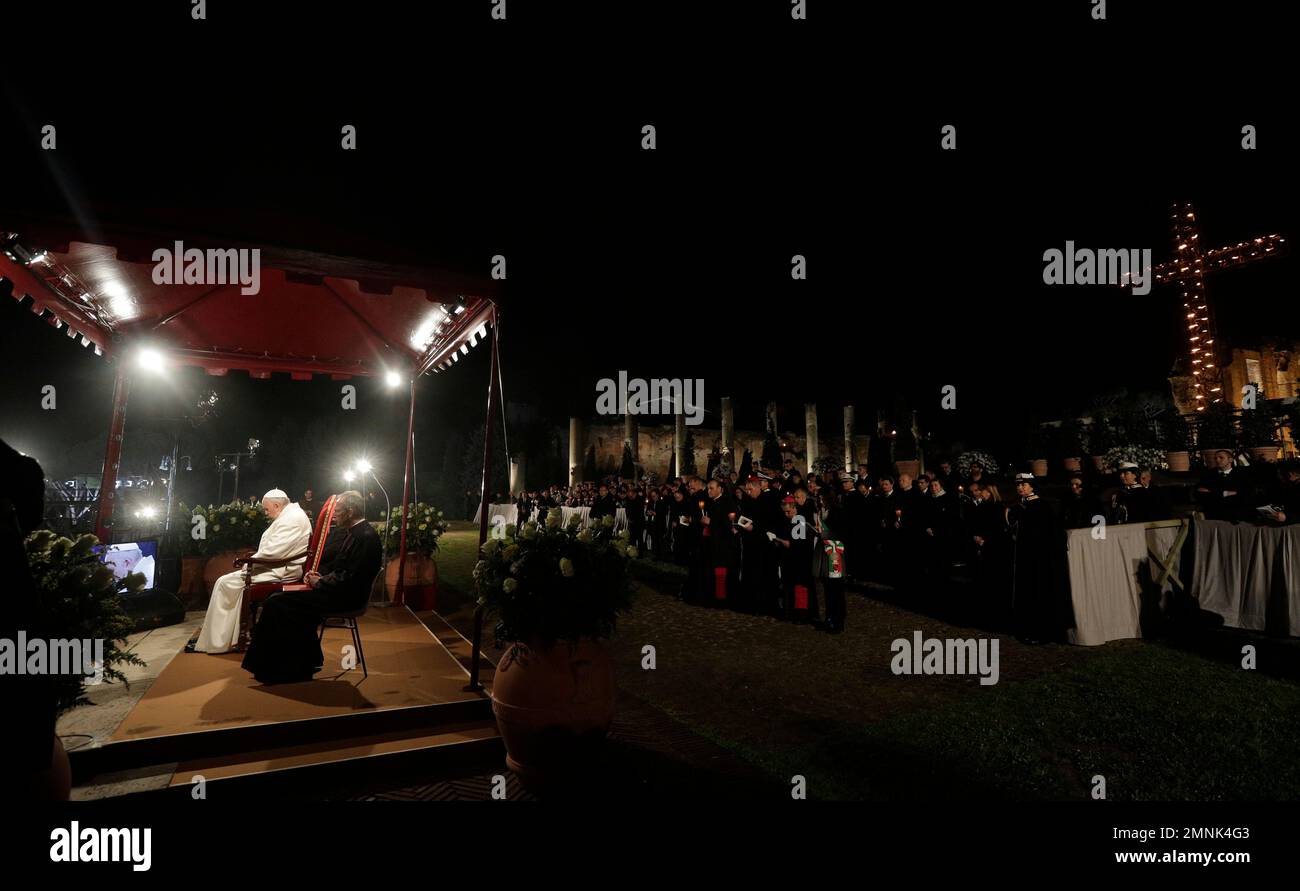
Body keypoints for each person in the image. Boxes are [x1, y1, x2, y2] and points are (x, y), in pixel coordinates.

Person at [242, 490, 382, 684]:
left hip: (346, 597)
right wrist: (319, 576)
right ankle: (296, 665)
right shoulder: (357, 533)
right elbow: (342, 570)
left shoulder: (365, 537)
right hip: (337, 591)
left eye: (338, 511)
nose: (334, 515)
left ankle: (284, 668)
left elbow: (351, 579)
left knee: (278, 603)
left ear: (350, 511)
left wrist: (320, 582)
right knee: (277, 598)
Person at [188, 489, 311, 654]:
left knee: (225, 583)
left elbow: (275, 552)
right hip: (274, 566)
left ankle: (221, 641)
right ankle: (215, 637)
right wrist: (253, 560)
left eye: (267, 509)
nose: (266, 513)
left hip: (282, 570)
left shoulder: (292, 518)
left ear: (277, 505)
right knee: (224, 581)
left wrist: (250, 562)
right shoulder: (290, 514)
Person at [1007, 472, 1072, 643]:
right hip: (1024, 557)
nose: (1020, 488)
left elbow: (1048, 532)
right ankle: (1026, 628)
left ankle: (1042, 631)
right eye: (1018, 485)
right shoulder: (1019, 505)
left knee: (1039, 591)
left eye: (1024, 485)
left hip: (1039, 558)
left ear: (1032, 486)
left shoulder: (1041, 506)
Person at [1196, 450, 1248, 521]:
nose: (1217, 460)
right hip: (1213, 515)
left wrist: (1213, 493)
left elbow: (1244, 494)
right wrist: (1225, 493)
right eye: (1215, 458)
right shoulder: (1208, 475)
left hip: (1237, 515)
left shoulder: (1241, 475)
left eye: (1221, 458)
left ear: (1230, 460)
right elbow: (1199, 493)